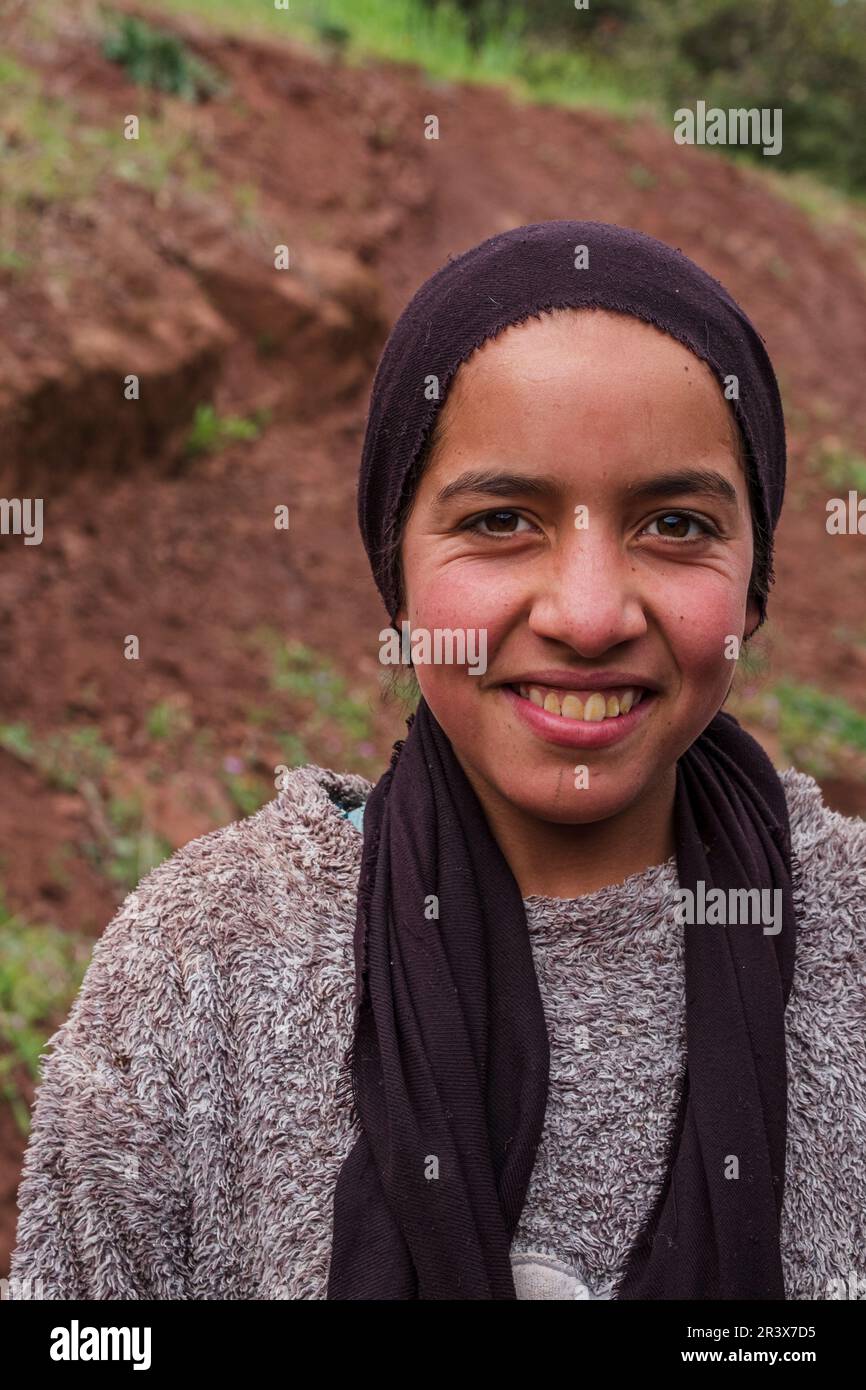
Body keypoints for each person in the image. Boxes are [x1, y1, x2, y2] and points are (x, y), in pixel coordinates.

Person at [8, 221, 865, 1301]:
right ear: (395, 570)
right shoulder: (203, 966)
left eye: (675, 523)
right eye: (502, 519)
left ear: (752, 580)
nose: (589, 615)